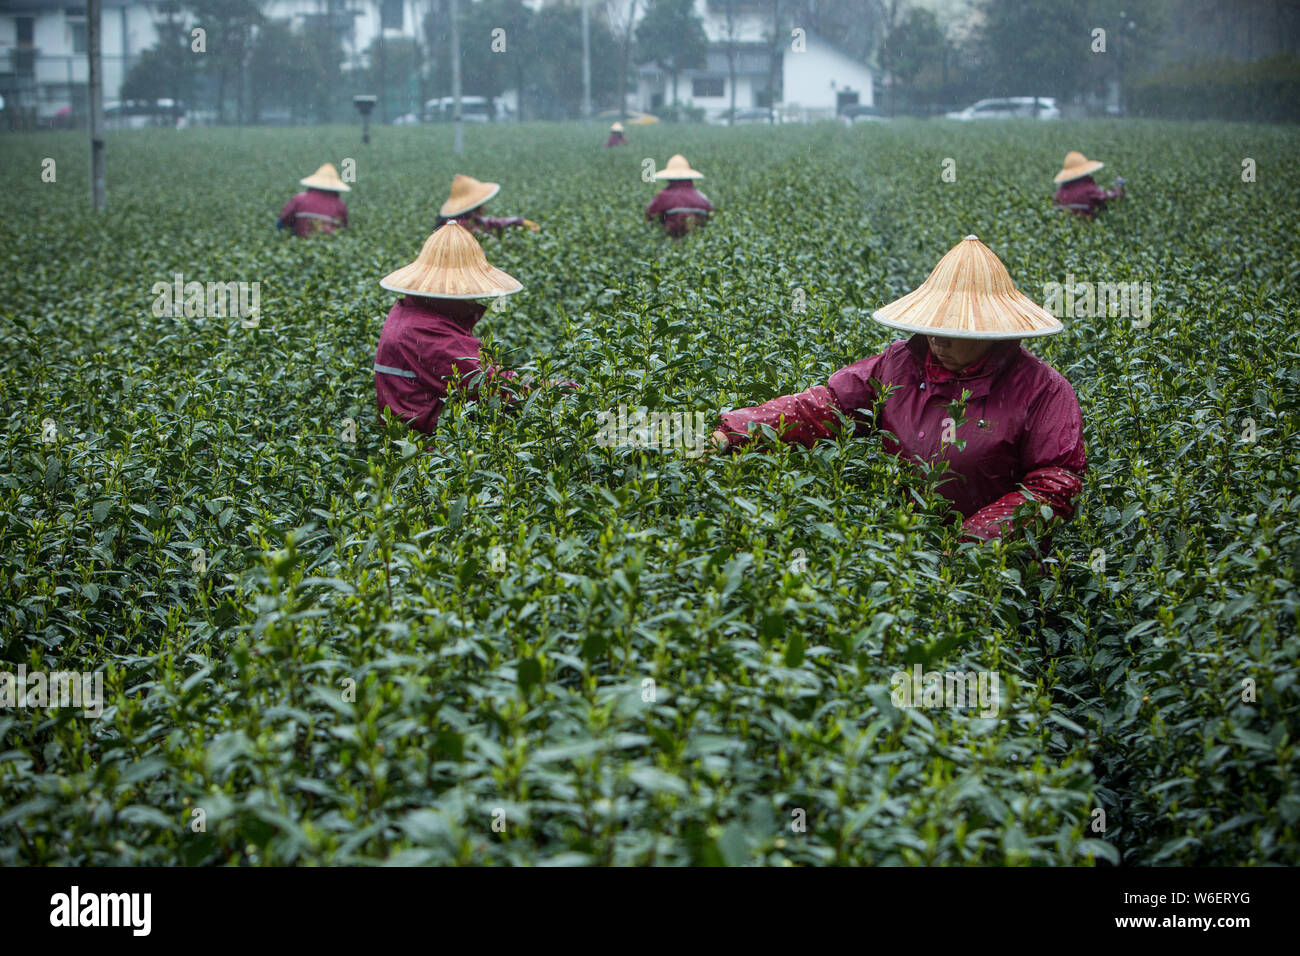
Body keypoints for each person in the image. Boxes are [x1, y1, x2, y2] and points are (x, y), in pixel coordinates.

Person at [712, 235, 1086, 543]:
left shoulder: (1043, 391)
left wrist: (972, 544)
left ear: (990, 332)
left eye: (953, 332)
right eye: (933, 328)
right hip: (900, 544)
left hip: (992, 571)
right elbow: (825, 408)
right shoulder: (897, 365)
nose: (938, 341)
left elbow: (1053, 485)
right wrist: (735, 432)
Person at [374, 221, 564, 434]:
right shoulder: (424, 331)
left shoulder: (409, 312)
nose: (473, 299)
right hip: (429, 447)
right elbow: (491, 386)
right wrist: (558, 390)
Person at [434, 174, 539, 237]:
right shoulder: (460, 225)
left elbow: (488, 223)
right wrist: (520, 234)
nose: (484, 206)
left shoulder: (467, 218)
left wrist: (518, 221)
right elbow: (487, 240)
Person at [646, 154, 713, 238]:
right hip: (698, 242)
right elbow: (711, 219)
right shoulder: (702, 198)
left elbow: (649, 217)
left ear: (669, 178)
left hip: (671, 244)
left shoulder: (662, 197)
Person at [278, 163, 349, 237]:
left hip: (300, 241)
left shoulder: (300, 199)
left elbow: (283, 221)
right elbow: (343, 230)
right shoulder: (340, 205)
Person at [1053, 151, 1125, 219]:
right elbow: (1107, 197)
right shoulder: (1088, 189)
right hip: (1085, 224)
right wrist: (1118, 188)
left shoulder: (1060, 192)